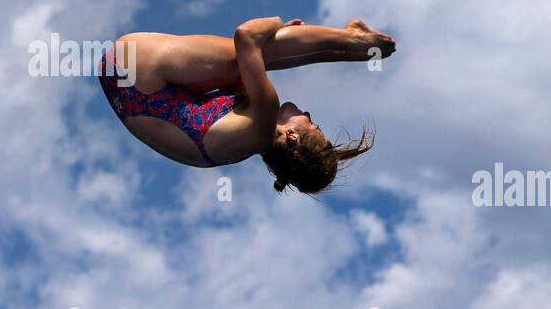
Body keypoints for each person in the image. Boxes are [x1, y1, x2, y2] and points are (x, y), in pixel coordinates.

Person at [99, 17, 394, 193]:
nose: (308, 115)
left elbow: (246, 35)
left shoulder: (264, 117)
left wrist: (277, 26)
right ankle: (355, 47)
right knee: (255, 61)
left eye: (313, 125)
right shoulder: (242, 143)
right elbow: (245, 72)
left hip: (136, 63)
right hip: (121, 78)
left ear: (293, 136)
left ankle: (354, 40)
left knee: (256, 50)